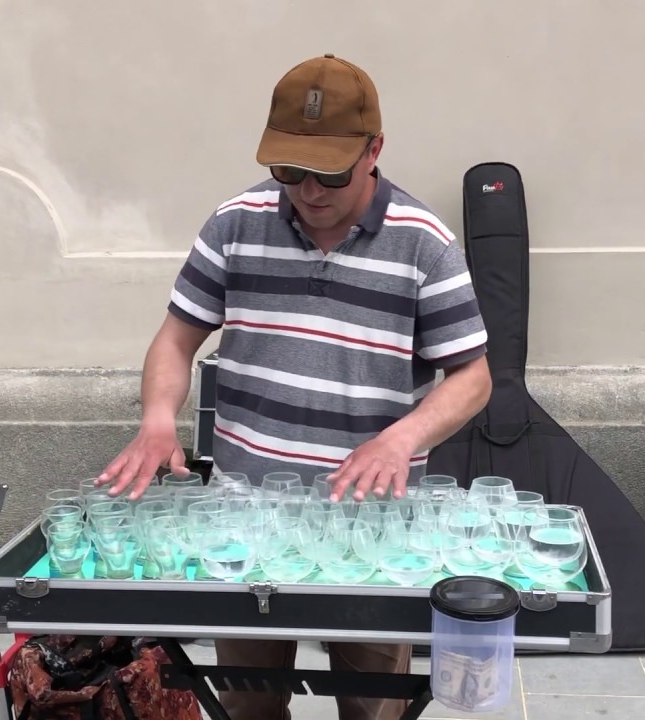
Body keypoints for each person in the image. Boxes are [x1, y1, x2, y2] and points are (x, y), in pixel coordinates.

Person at [97, 53, 493, 720]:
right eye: (289, 170)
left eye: (329, 173)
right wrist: (159, 418)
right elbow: (176, 338)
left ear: (375, 151)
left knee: (373, 706)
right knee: (251, 708)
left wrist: (403, 438)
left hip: (366, 529)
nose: (308, 190)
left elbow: (474, 376)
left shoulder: (424, 244)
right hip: (246, 520)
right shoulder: (236, 224)